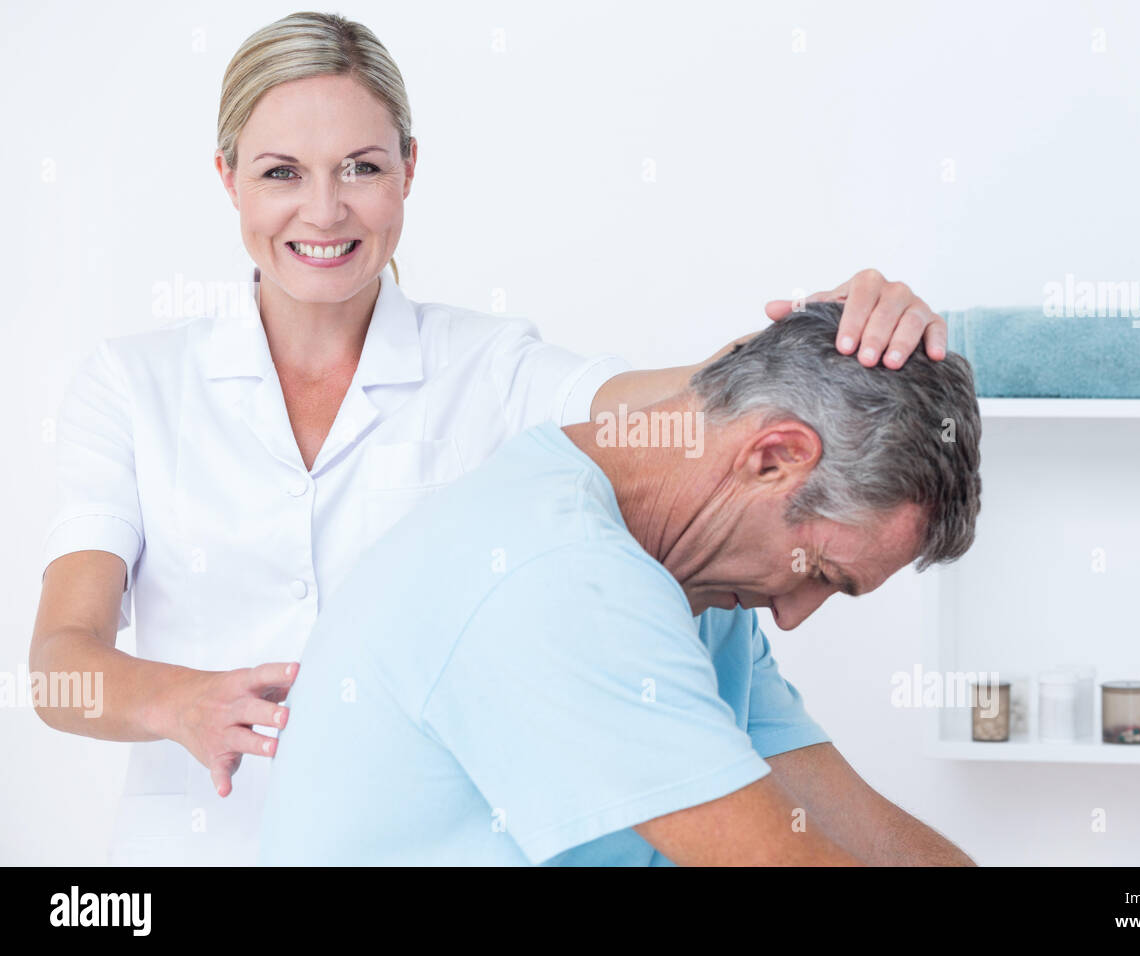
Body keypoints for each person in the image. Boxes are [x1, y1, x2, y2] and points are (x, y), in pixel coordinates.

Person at [28, 11, 950, 867]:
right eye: (281, 173)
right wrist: (178, 700)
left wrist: (838, 338)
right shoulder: (132, 384)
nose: (324, 211)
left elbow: (697, 411)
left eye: (362, 167)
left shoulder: (494, 369)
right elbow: (58, 665)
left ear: (410, 170)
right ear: (227, 178)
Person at [259, 302, 981, 866]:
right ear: (773, 458)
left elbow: (845, 820)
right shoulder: (557, 570)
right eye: (819, 573)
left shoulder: (698, 588)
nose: (792, 618)